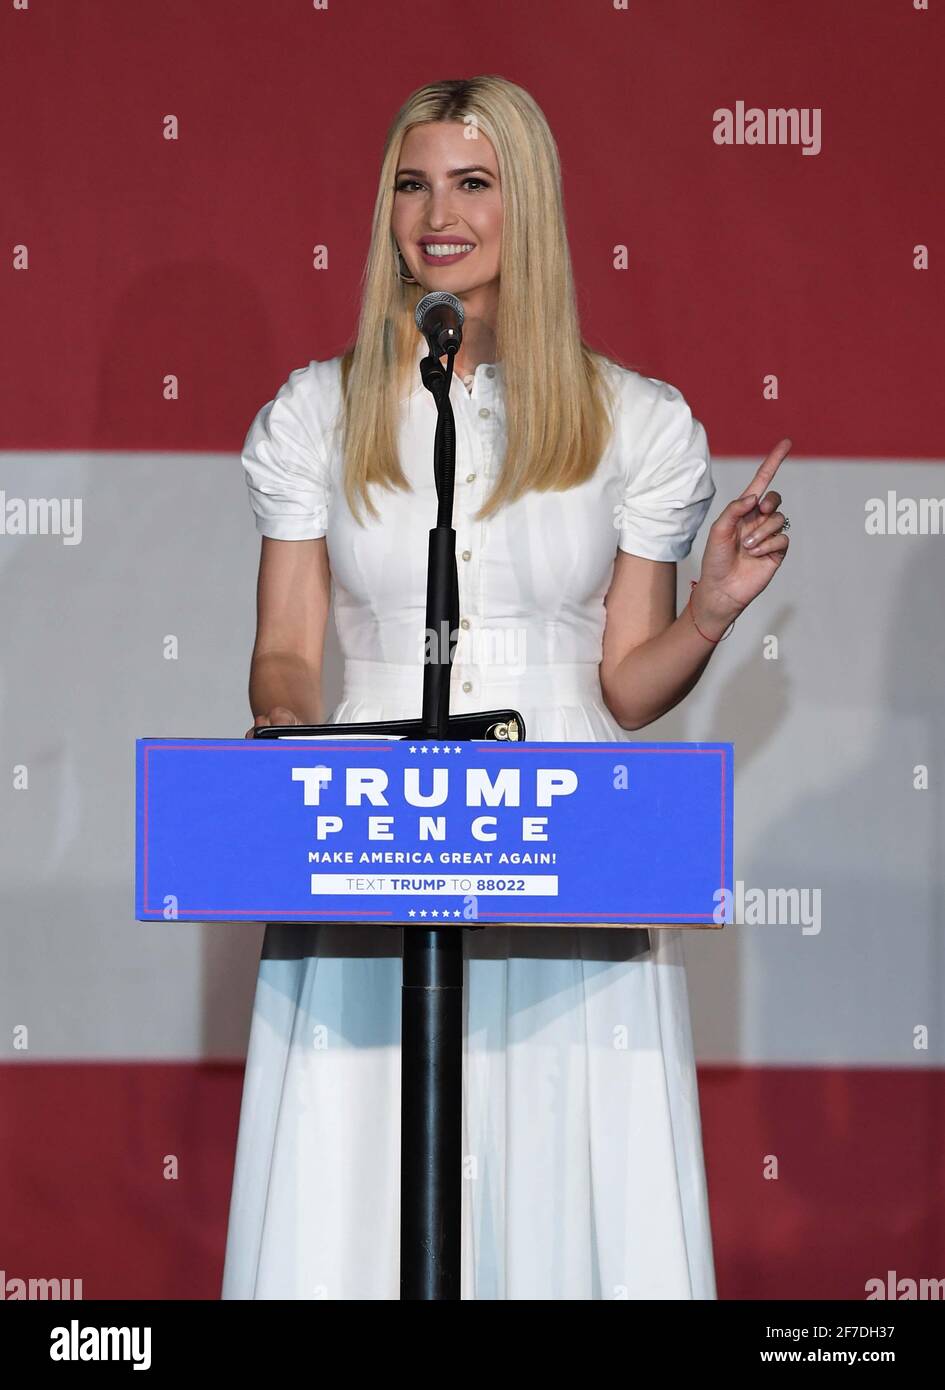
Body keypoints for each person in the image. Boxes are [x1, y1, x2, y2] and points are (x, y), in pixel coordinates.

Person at [221, 75, 791, 1301]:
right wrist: (291, 749)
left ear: (525, 205)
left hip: (565, 842)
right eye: (413, 184)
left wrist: (713, 605)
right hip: (371, 830)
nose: (439, 212)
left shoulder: (632, 422)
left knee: (554, 1172)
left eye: (473, 183)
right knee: (362, 1177)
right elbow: (285, 646)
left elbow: (629, 687)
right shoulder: (317, 415)